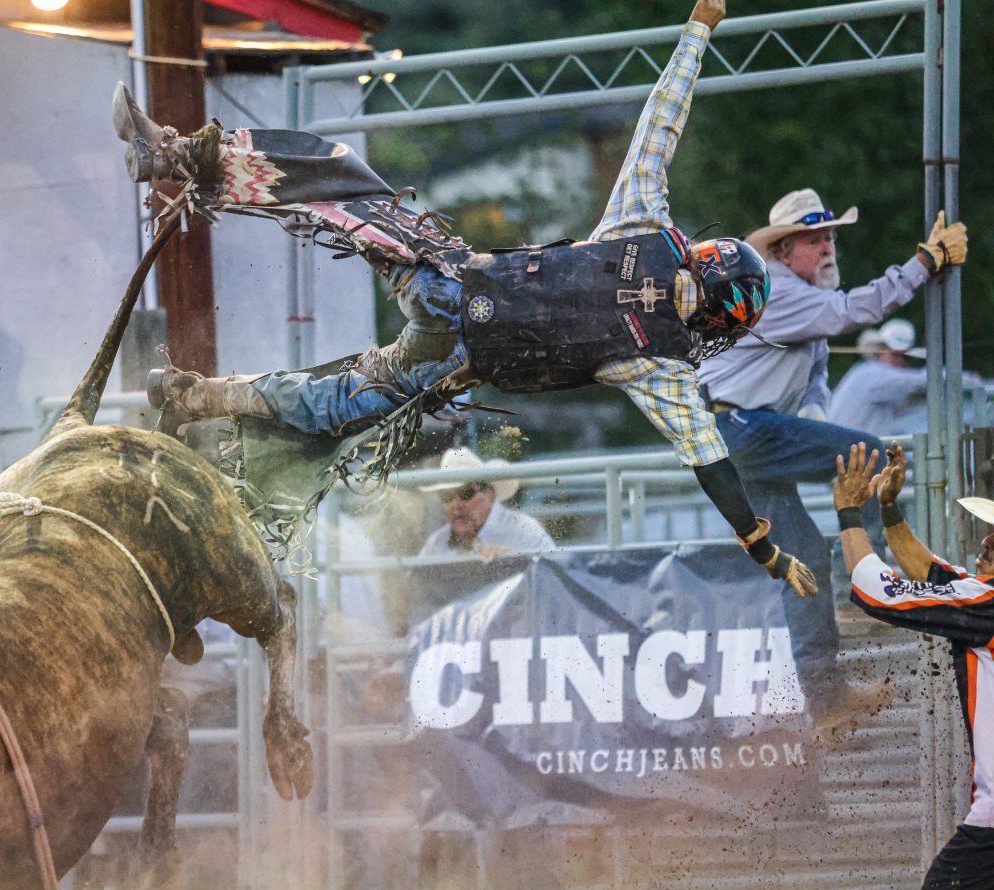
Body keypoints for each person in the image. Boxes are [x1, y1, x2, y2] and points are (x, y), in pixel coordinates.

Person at [118, 0, 822, 608]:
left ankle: (179, 158)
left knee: (342, 184)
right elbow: (711, 466)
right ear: (719, 321)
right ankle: (203, 397)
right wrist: (764, 551)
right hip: (451, 359)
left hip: (447, 279)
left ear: (706, 255)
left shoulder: (644, 231)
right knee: (336, 402)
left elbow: (659, 123)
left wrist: (698, 28)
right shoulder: (662, 366)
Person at [699, 190, 968, 724]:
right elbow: (854, 311)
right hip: (742, 430)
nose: (827, 248)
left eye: (829, 237)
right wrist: (924, 263)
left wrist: (817, 428)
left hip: (734, 438)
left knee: (802, 558)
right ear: (783, 251)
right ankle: (866, 586)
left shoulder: (793, 298)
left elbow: (816, 377)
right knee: (864, 454)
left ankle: (824, 699)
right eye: (814, 239)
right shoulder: (780, 290)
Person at [834, 440, 994, 890]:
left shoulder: (986, 605)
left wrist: (850, 515)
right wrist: (892, 513)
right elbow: (935, 576)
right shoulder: (980, 602)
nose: (983, 542)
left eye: (993, 539)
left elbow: (878, 590)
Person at [828, 319, 982, 437]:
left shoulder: (863, 371)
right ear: (880, 350)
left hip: (847, 455)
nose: (900, 361)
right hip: (850, 459)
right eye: (895, 355)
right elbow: (919, 380)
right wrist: (968, 379)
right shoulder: (875, 374)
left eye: (904, 357)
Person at [416, 448, 556, 560]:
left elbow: (556, 583)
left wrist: (514, 562)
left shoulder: (524, 531)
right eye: (446, 496)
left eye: (466, 493)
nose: (456, 505)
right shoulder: (436, 543)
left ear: (490, 494)